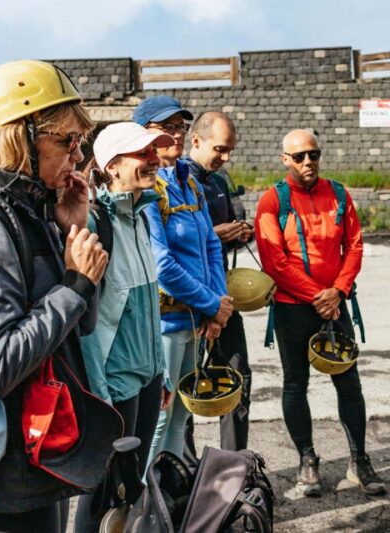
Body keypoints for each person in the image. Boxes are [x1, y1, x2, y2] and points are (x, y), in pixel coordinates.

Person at [0, 60, 109, 531]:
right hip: (5, 483)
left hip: (41, 459)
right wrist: (74, 284)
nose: (78, 156)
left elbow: (83, 325)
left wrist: (74, 232)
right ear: (20, 139)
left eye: (80, 141)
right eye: (66, 141)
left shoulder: (36, 208)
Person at [255, 129, 385, 496]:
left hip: (336, 305)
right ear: (285, 160)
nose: (308, 162)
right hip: (293, 309)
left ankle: (359, 461)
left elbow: (355, 245)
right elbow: (274, 261)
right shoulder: (271, 201)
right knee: (296, 384)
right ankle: (307, 461)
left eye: (314, 154)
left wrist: (339, 291)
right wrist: (319, 296)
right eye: (299, 157)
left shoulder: (339, 194)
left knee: (349, 383)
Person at [73, 123, 173, 531]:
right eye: (142, 154)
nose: (154, 160)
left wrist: (161, 371)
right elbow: (87, 323)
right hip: (115, 386)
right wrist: (100, 394)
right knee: (102, 492)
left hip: (147, 379)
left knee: (129, 488)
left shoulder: (143, 217)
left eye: (155, 152)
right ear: (112, 165)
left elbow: (147, 306)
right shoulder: (97, 224)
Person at [133, 96, 232, 463]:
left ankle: (170, 490)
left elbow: (210, 244)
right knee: (160, 416)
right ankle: (146, 504)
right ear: (142, 134)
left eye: (179, 127)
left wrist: (218, 305)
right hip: (167, 321)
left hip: (197, 318)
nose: (176, 135)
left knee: (181, 414)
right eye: (166, 128)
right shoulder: (147, 187)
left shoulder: (187, 182)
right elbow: (162, 264)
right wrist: (212, 304)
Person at [186, 111, 252, 451]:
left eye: (230, 151)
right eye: (220, 149)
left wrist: (241, 233)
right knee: (184, 390)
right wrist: (214, 234)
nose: (225, 158)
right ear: (195, 141)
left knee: (238, 382)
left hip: (222, 298)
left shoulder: (220, 179)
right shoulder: (174, 182)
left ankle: (233, 467)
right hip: (185, 302)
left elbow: (235, 226)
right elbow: (166, 248)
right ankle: (182, 472)